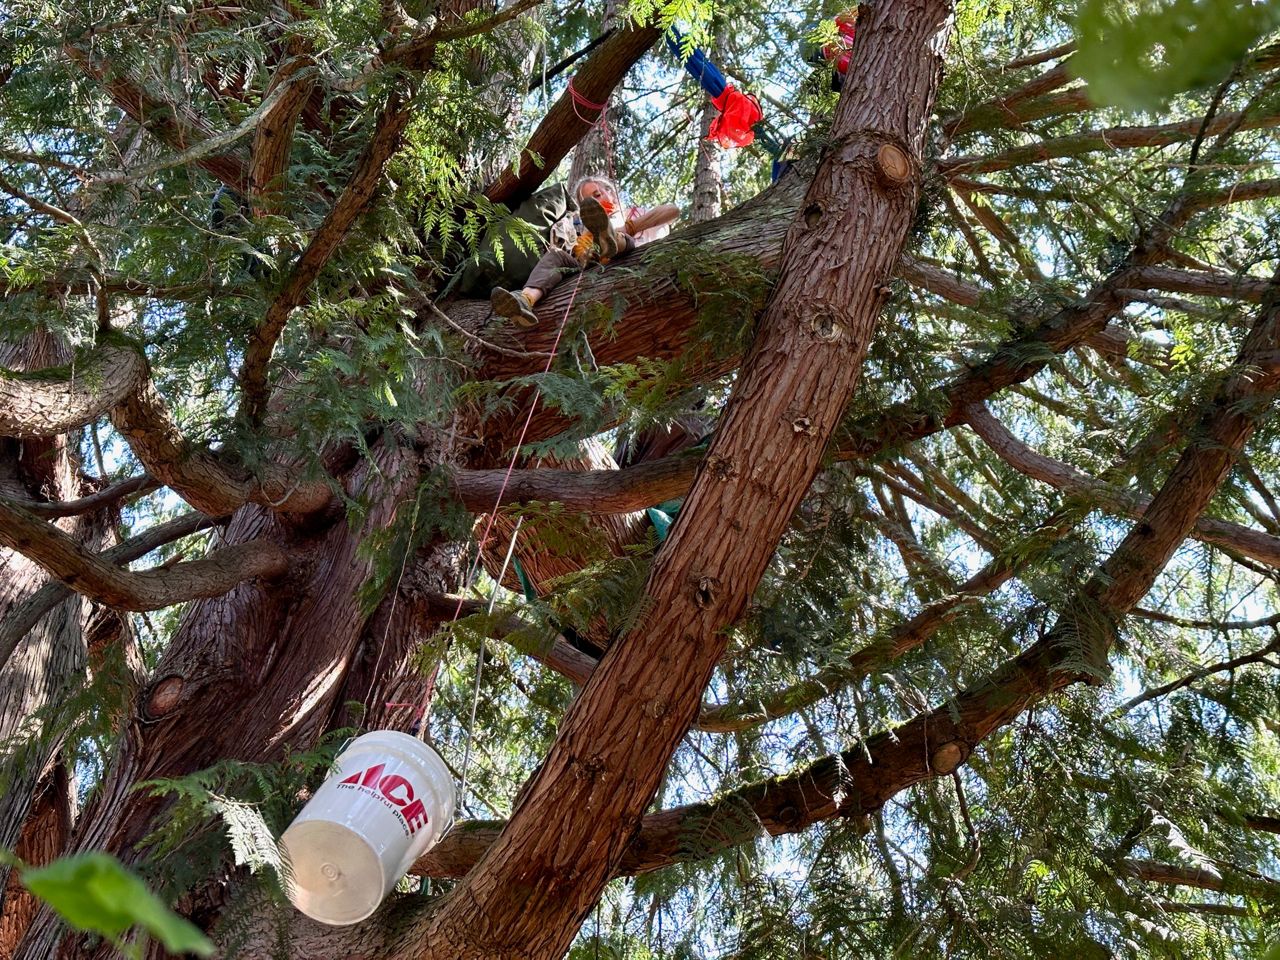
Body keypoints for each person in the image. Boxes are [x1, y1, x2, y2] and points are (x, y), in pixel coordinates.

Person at [489, 175, 680, 327]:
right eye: (589, 201)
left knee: (623, 241)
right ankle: (525, 299)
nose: (597, 201)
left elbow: (672, 211)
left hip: (628, 257)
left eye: (598, 195)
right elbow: (575, 251)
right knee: (556, 256)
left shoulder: (634, 212)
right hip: (592, 266)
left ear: (611, 192)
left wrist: (627, 227)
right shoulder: (581, 226)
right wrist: (585, 249)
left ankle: (611, 241)